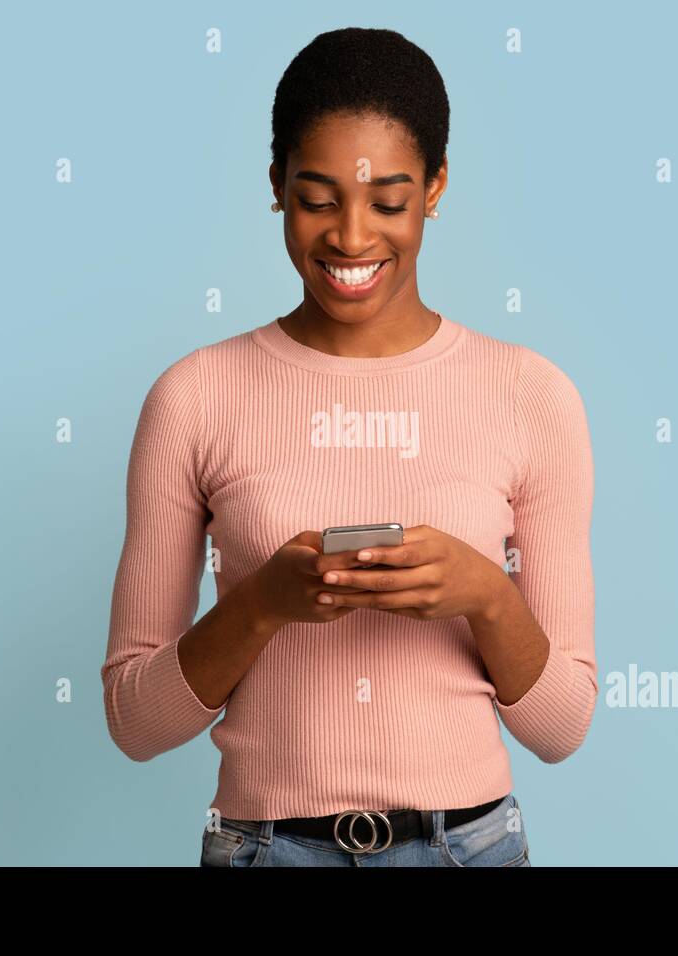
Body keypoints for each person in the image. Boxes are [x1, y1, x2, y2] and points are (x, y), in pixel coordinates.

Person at [100, 27, 597, 867]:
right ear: (276, 185)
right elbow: (135, 723)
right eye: (318, 197)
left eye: (390, 200)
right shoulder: (193, 398)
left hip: (467, 847)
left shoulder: (530, 396)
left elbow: (562, 726)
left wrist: (486, 594)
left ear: (436, 188)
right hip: (265, 851)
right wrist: (260, 605)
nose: (352, 238)